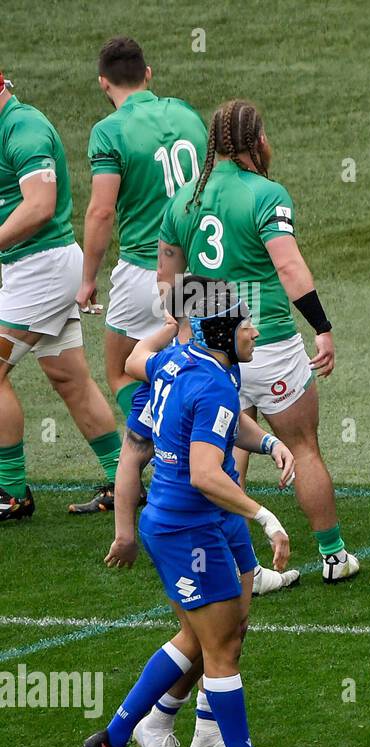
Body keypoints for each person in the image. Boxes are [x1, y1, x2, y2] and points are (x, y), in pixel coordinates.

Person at [81, 283, 312, 747]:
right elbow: (207, 473)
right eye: (246, 323)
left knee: (201, 638)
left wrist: (269, 441)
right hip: (189, 526)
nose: (254, 329)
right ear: (224, 333)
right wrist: (265, 515)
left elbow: (142, 361)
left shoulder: (180, 358)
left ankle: (120, 736)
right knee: (223, 645)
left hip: (186, 521)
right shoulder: (215, 384)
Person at [158, 98, 359, 584]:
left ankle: (237, 566)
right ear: (254, 143)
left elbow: (168, 284)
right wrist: (323, 327)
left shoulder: (184, 198)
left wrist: (188, 333)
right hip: (266, 341)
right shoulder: (267, 194)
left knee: (225, 448)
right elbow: (290, 269)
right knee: (303, 446)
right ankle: (333, 557)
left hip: (211, 349)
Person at [0, 71, 122, 520]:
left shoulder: (24, 129)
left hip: (42, 271)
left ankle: (10, 491)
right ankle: (122, 480)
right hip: (38, 269)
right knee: (69, 377)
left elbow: (39, 205)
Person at [78, 37, 206, 452]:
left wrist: (87, 279)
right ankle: (193, 453)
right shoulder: (187, 114)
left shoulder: (109, 131)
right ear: (148, 74)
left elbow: (101, 212)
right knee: (195, 366)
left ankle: (161, 449)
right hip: (199, 270)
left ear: (102, 83)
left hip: (143, 269)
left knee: (120, 371)